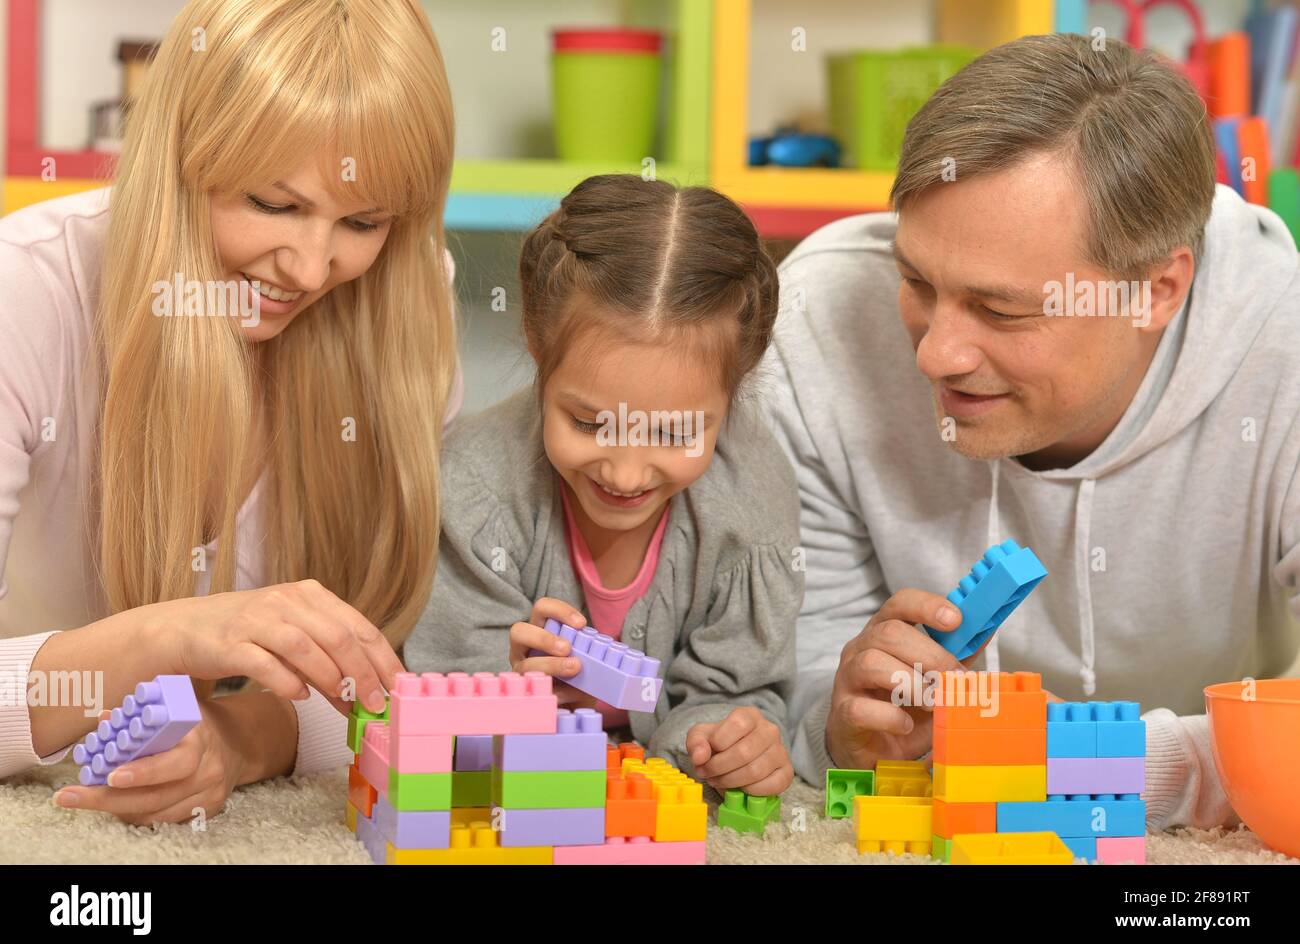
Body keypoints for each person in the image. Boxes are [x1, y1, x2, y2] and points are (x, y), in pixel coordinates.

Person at [767, 33, 1299, 828]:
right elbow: (785, 676)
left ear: (1156, 290)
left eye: (1001, 309)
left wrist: (1137, 766)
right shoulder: (817, 323)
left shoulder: (1284, 347)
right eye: (915, 279)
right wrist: (844, 723)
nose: (933, 353)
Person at [0, 0, 459, 824]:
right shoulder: (25, 292)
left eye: (363, 220)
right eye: (274, 204)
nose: (313, 268)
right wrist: (164, 639)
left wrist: (241, 737)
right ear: (179, 157)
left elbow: (393, 675)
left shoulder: (410, 306)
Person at [404, 175, 800, 794]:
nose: (625, 473)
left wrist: (726, 744)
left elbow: (740, 693)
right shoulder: (475, 489)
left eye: (673, 435)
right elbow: (443, 713)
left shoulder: (752, 498)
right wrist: (513, 697)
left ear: (737, 384)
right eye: (590, 423)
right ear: (537, 342)